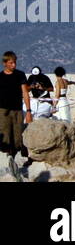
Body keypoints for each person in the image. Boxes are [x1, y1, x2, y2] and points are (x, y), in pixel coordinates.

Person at [0, 51, 32, 181]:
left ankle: (17, 160)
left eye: (15, 62)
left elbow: (25, 92)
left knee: (18, 135)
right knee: (4, 135)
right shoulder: (0, 77)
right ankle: (6, 163)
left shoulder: (20, 75)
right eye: (11, 63)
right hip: (3, 110)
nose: (13, 65)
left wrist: (28, 111)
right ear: (5, 63)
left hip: (17, 110)